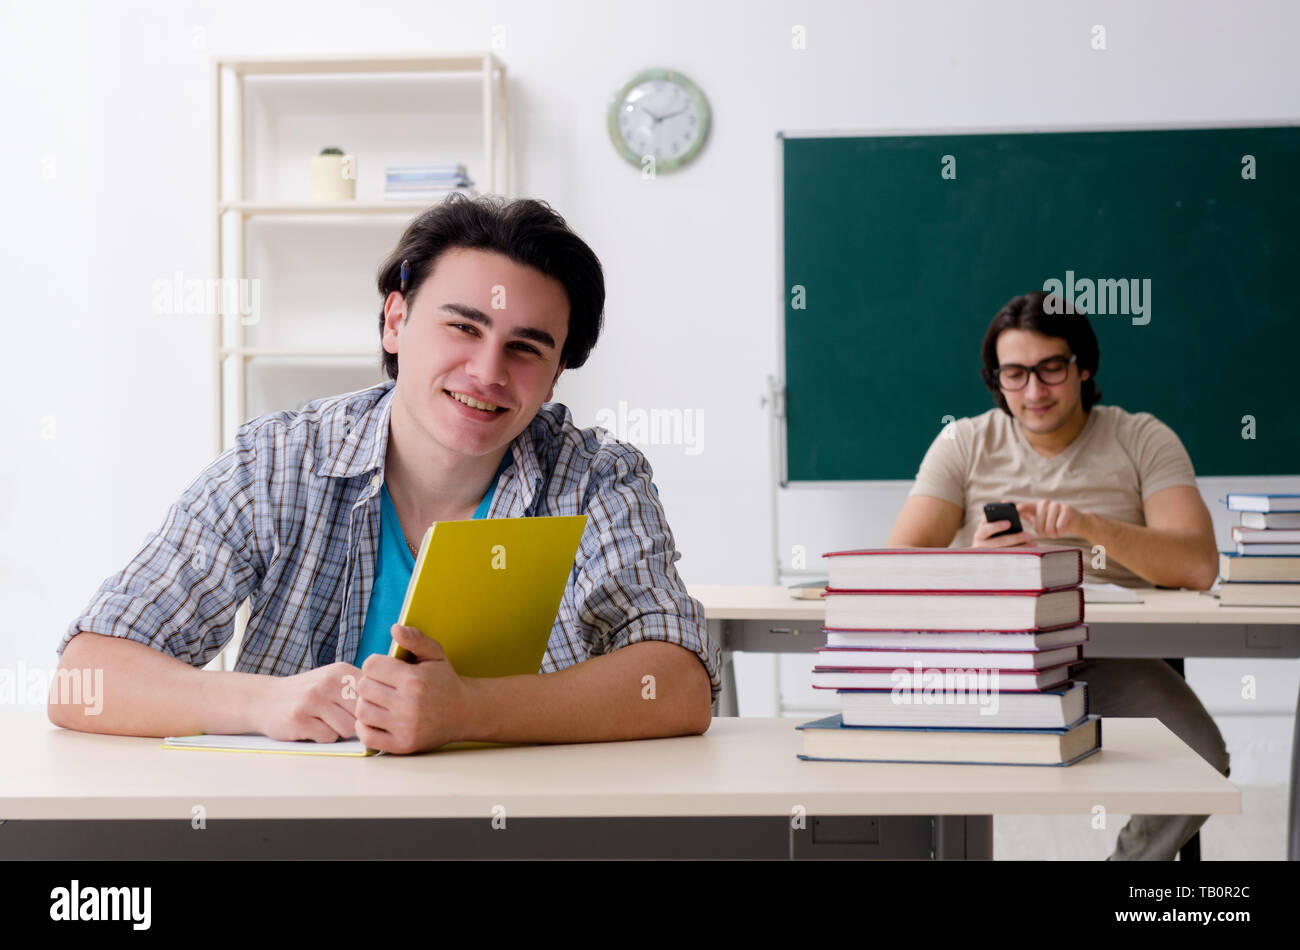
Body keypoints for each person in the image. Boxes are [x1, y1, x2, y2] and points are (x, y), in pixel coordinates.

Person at [52, 194, 719, 753]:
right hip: (294, 839)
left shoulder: (596, 477)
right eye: (463, 327)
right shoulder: (280, 462)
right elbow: (85, 678)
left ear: (552, 380)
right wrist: (264, 701)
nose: (487, 371)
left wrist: (468, 711)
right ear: (396, 322)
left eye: (524, 348)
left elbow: (678, 683)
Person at [885, 290, 1229, 860]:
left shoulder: (1142, 437)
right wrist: (975, 563)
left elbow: (1197, 565)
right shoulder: (965, 443)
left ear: (1083, 366)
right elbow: (896, 571)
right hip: (991, 657)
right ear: (996, 379)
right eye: (1015, 375)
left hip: (1108, 651)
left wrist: (1092, 527)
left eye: (1051, 369)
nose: (1035, 392)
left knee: (1201, 759)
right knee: (890, 756)